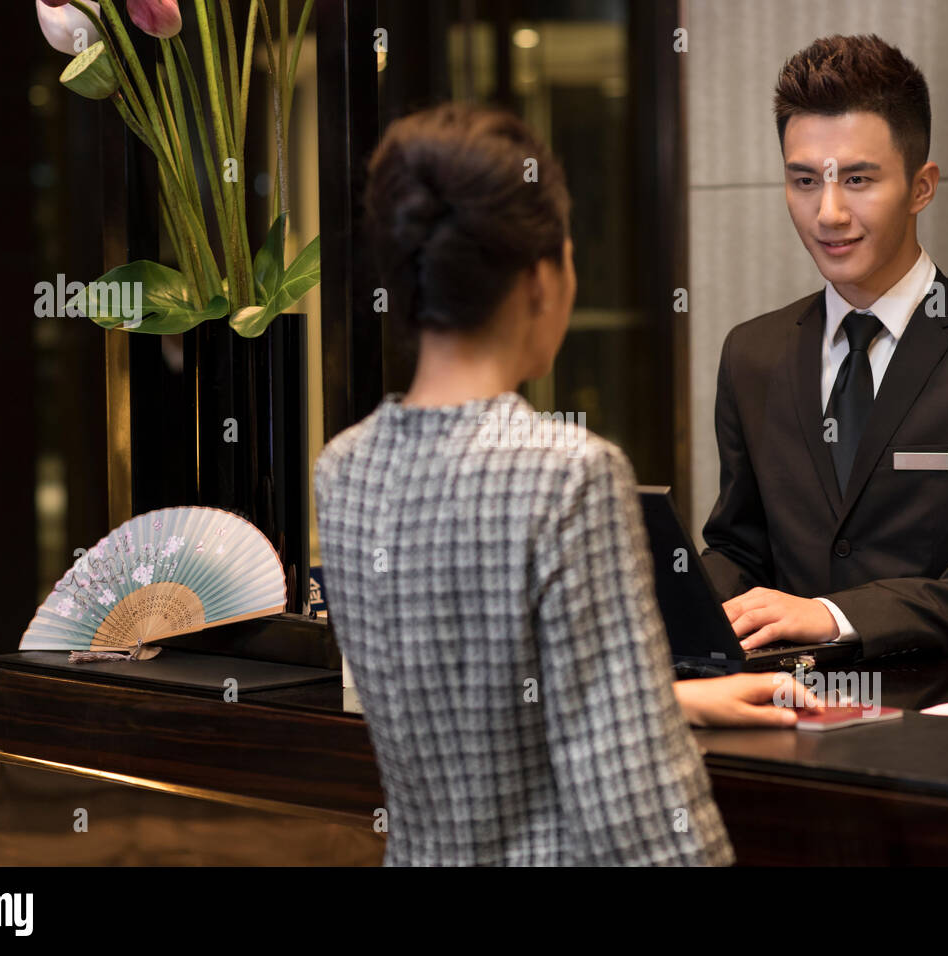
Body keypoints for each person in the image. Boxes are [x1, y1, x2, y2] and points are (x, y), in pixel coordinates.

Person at [314, 103, 818, 866]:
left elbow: (469, 713)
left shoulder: (344, 469)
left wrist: (662, 700)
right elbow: (638, 814)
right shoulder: (568, 476)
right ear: (540, 279)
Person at [702, 34, 948, 660]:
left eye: (857, 179)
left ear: (921, 187)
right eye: (803, 180)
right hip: (780, 714)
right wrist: (674, 602)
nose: (828, 213)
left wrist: (832, 616)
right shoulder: (751, 353)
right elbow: (740, 550)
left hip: (944, 723)